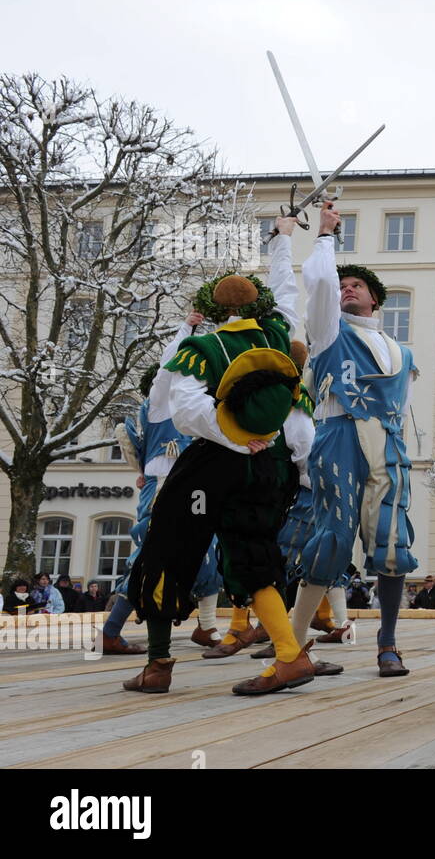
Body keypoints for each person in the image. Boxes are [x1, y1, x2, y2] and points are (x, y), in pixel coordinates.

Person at [123, 241, 314, 695]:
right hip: (271, 462)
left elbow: (186, 411)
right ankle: (289, 655)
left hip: (216, 463)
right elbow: (288, 298)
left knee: (168, 550)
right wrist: (283, 242)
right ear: (258, 305)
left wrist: (234, 438)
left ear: (210, 309)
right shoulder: (277, 336)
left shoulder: (201, 346)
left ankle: (158, 665)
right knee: (255, 556)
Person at [296, 203, 421, 678]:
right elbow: (321, 285)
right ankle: (293, 644)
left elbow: (398, 404)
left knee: (393, 540)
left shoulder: (401, 352)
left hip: (387, 442)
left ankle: (387, 643)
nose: (347, 290)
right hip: (339, 434)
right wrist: (326, 236)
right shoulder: (328, 332)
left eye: (357, 287)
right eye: (343, 285)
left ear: (375, 301)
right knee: (330, 538)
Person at [108, 322, 227, 656]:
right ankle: (110, 630)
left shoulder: (195, 400)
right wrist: (188, 329)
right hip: (166, 483)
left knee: (207, 549)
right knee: (149, 555)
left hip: (193, 484)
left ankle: (207, 626)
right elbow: (169, 363)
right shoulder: (162, 399)